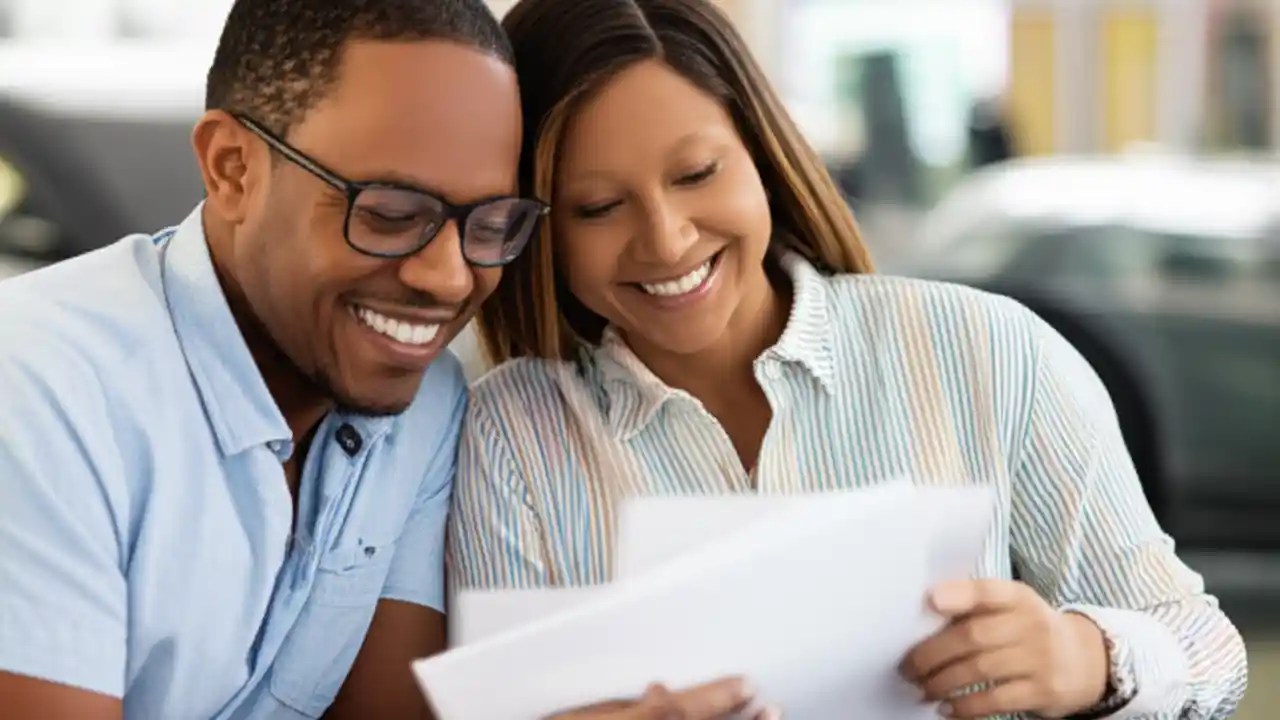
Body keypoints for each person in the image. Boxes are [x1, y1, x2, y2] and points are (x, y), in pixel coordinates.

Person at [447, 0, 1249, 718]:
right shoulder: (510, 436)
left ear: (761, 156)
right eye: (598, 207)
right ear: (539, 230)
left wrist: (1087, 658)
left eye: (697, 174)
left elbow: (1208, 647)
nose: (665, 239)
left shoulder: (989, 353)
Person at [0, 1, 755, 718]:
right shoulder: (40, 393)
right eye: (391, 214)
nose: (450, 278)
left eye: (489, 223)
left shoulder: (424, 404)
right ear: (232, 168)